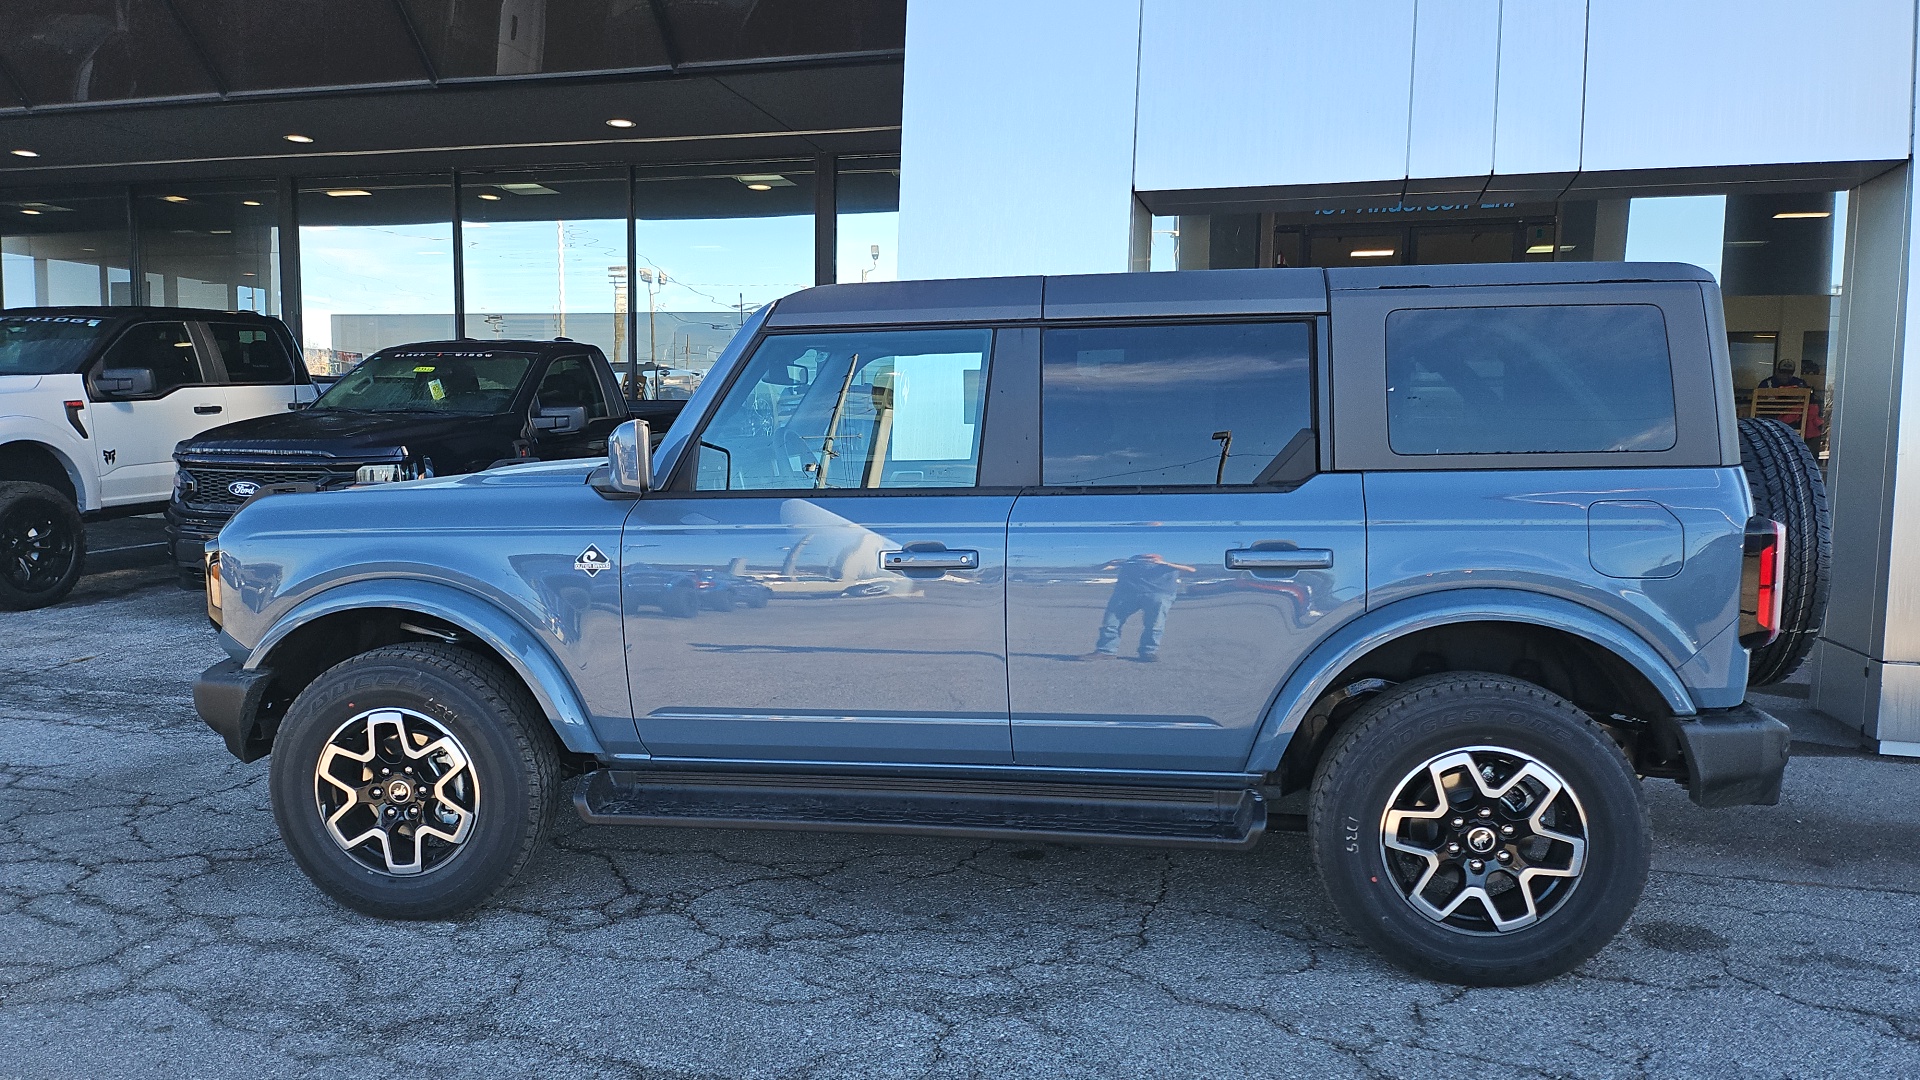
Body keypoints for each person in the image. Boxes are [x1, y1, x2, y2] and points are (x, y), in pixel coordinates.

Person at [1087, 552, 1198, 662]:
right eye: (1142, 558)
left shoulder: (1166, 566)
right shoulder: (1128, 565)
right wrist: (1110, 562)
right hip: (1127, 594)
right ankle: (1106, 651)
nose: (1146, 561)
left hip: (1158, 594)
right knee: (1111, 622)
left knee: (1154, 624)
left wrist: (1163, 563)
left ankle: (1148, 652)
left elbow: (1191, 570)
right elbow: (1097, 569)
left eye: (1150, 558)